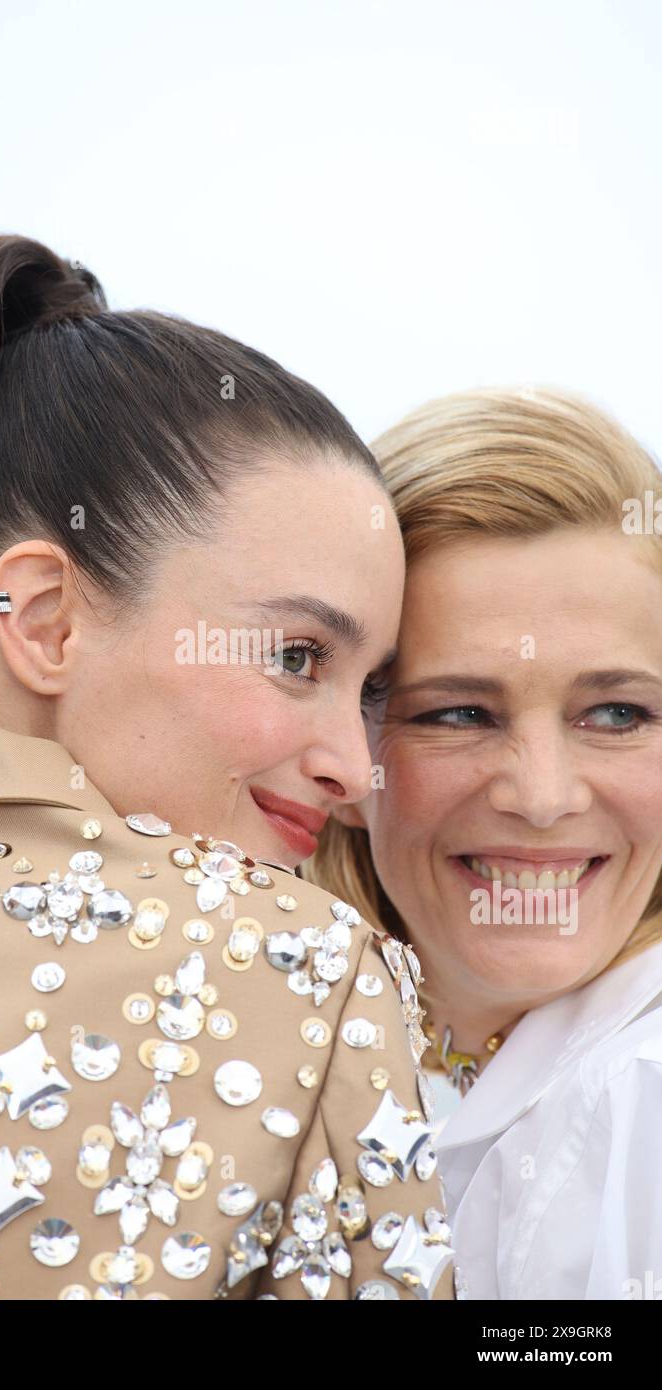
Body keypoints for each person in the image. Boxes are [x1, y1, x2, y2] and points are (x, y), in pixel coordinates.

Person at [0, 235, 455, 1301]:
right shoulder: (305, 974)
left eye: (371, 690)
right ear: (45, 621)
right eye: (298, 657)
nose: (350, 767)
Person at [304, 386, 662, 1299]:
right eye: (460, 712)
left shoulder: (642, 1092)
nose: (542, 798)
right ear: (344, 751)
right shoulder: (270, 1057)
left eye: (617, 713)